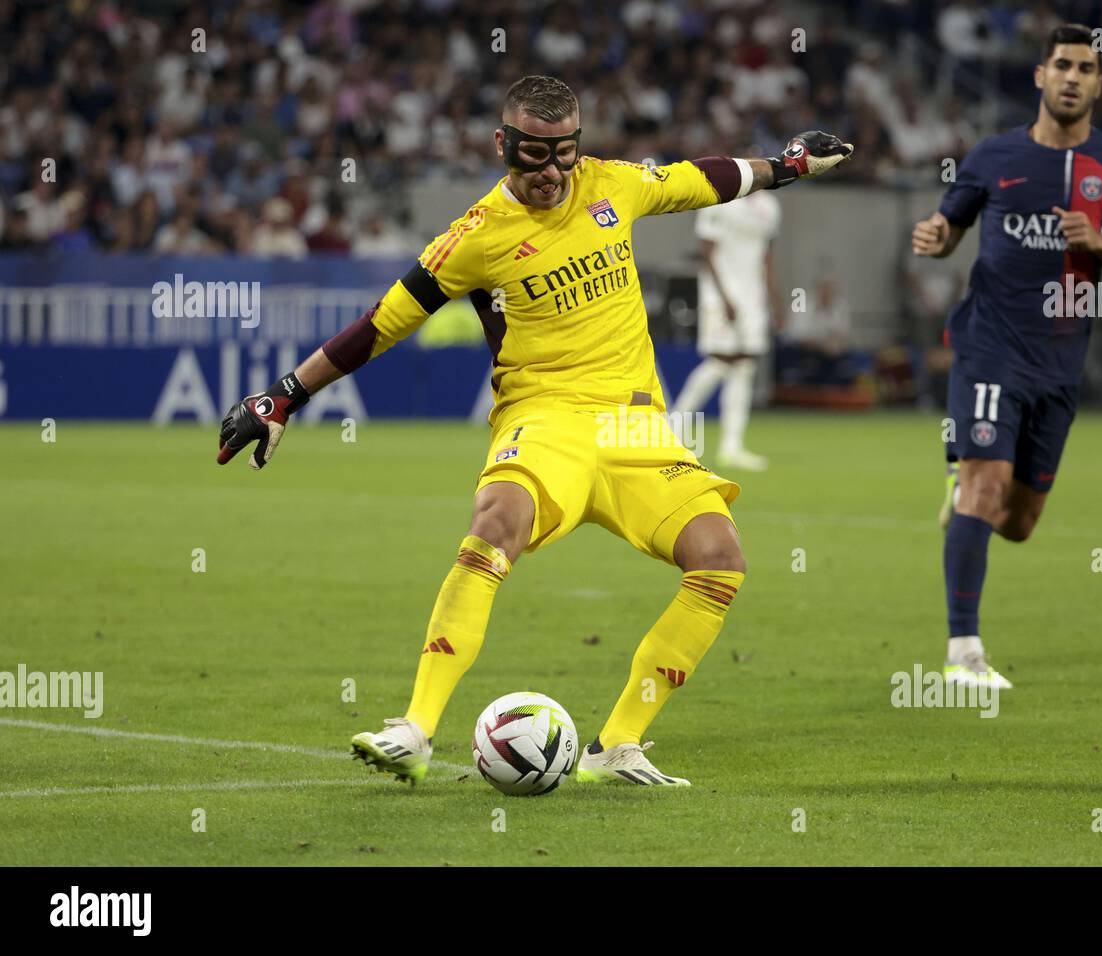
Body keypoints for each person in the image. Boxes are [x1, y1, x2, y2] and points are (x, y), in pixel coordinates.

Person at [215, 75, 852, 785]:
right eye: (532, 155)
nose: (550, 172)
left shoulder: (613, 184)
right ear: (501, 145)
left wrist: (788, 166)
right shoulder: (476, 237)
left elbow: (705, 178)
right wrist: (284, 395)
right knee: (495, 522)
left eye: (564, 153)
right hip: (544, 419)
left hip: (637, 429)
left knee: (720, 557)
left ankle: (616, 748)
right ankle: (417, 729)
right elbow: (381, 324)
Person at [911, 25, 1102, 689]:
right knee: (984, 488)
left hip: (1059, 365)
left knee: (1017, 522)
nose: (1073, 77)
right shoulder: (993, 156)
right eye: (1062, 65)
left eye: (1086, 68)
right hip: (990, 347)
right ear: (1040, 75)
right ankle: (963, 653)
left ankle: (959, 479)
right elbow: (948, 229)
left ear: (1099, 83)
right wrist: (935, 238)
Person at [672, 178, 781, 470]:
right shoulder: (720, 199)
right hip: (720, 294)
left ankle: (732, 447)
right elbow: (706, 250)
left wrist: (774, 297)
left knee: (744, 366)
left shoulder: (770, 206)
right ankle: (674, 427)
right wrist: (724, 297)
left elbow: (767, 254)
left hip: (753, 296)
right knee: (720, 360)